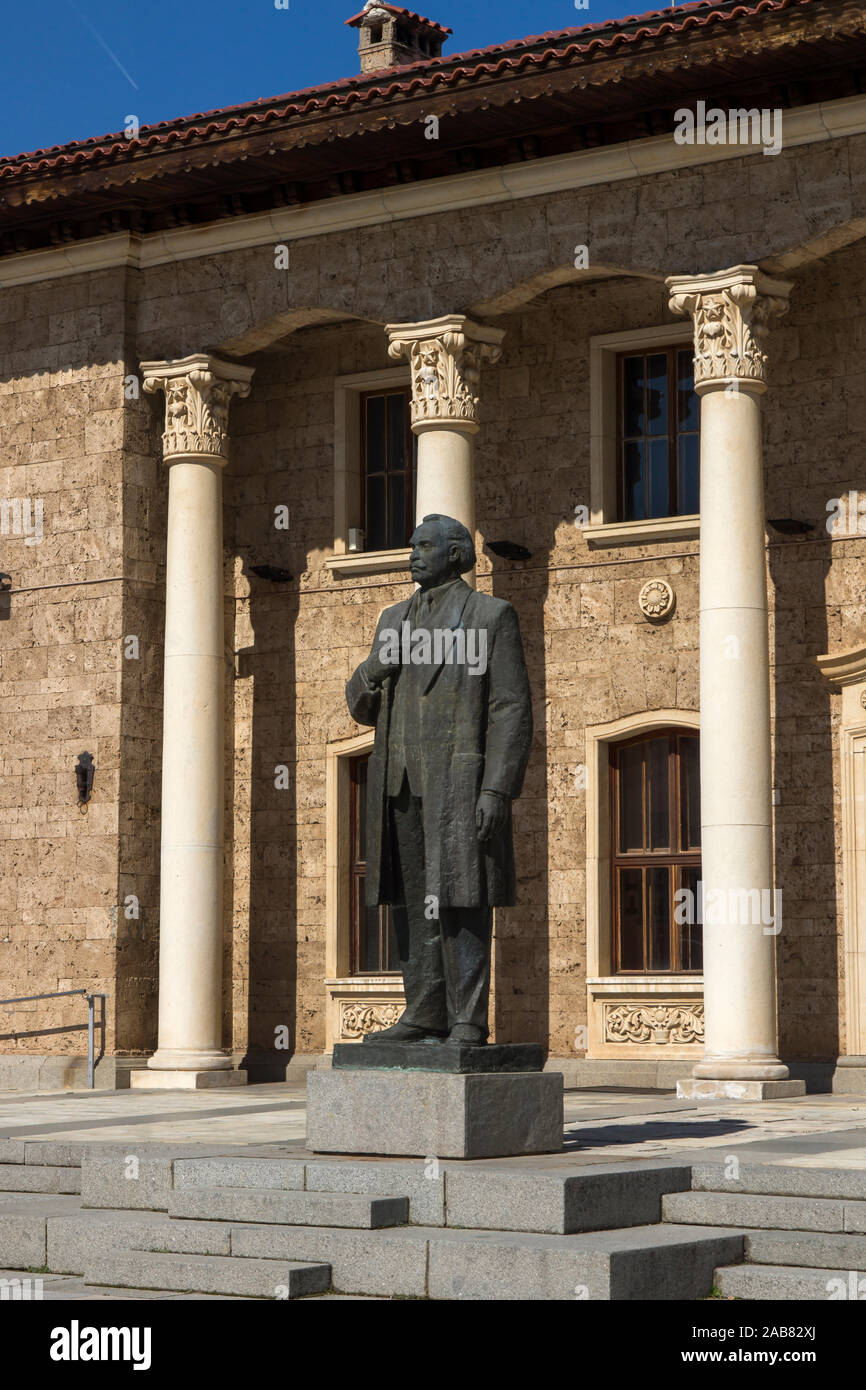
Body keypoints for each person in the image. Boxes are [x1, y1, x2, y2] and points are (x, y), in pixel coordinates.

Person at [345, 513, 533, 1044]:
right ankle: (423, 1009)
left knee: (461, 899)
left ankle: (468, 1018)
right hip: (399, 782)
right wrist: (375, 668)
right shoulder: (392, 621)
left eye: (425, 545)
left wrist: (498, 788)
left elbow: (511, 709)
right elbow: (360, 705)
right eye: (411, 545)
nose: (413, 553)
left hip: (459, 784)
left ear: (456, 554)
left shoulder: (489, 616)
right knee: (410, 899)